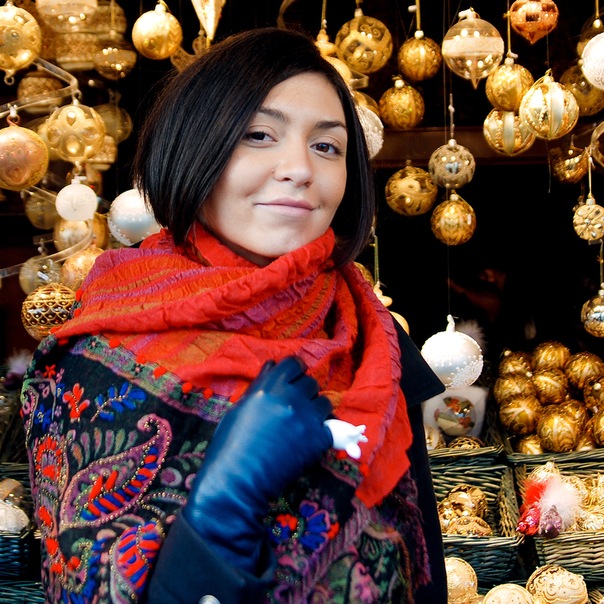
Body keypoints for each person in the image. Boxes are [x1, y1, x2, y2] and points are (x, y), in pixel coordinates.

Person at [20, 27, 447, 603]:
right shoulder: (96, 359)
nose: (299, 168)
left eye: (327, 146)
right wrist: (221, 507)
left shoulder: (371, 339)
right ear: (193, 148)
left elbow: (423, 573)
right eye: (259, 135)